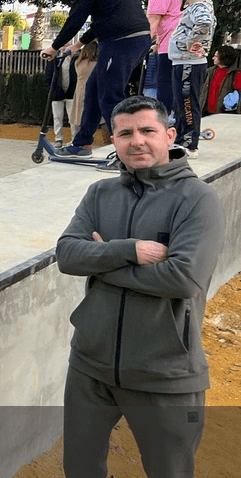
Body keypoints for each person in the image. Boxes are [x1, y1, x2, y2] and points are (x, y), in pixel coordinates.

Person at [55, 95, 224, 478]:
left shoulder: (198, 199)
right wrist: (129, 250)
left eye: (147, 131)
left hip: (164, 373)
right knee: (80, 468)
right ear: (113, 140)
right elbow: (67, 255)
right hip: (90, 365)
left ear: (169, 135)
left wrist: (102, 265)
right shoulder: (100, 194)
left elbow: (183, 278)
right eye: (125, 133)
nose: (137, 141)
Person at [41, 0, 150, 167]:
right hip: (131, 39)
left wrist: (54, 47)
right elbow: (102, 22)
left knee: (109, 96)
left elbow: (76, 18)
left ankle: (127, 154)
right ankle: (82, 144)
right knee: (93, 90)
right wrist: (76, 46)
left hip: (122, 41)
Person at [168, 0, 217, 158]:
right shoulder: (199, 7)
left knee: (187, 103)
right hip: (184, 63)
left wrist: (190, 42)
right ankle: (182, 139)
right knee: (182, 102)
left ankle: (189, 144)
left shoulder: (198, 7)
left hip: (189, 63)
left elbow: (203, 23)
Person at [140, 0, 180, 112]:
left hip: (168, 44)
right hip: (181, 42)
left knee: (164, 82)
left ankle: (166, 118)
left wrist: (142, 44)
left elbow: (153, 20)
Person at [46, 47, 78, 147]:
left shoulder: (75, 60)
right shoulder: (55, 61)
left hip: (71, 93)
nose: (64, 48)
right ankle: (58, 139)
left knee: (73, 118)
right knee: (57, 117)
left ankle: (75, 139)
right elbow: (48, 76)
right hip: (56, 94)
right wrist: (51, 90)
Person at [203, 45, 241, 116]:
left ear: (224, 58)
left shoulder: (235, 74)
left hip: (224, 114)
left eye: (216, 56)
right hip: (206, 112)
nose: (213, 58)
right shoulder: (210, 71)